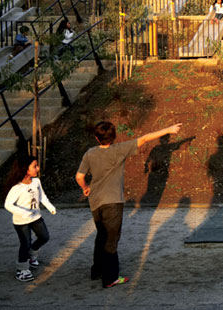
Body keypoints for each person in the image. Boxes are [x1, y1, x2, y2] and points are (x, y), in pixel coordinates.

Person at [75, 121, 182, 288]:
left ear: (96, 138)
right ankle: (110, 278)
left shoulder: (90, 153)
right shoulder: (120, 149)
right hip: (113, 201)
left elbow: (79, 176)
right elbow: (145, 138)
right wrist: (169, 130)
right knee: (111, 239)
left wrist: (85, 188)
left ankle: (97, 271)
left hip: (95, 201)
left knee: (101, 235)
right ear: (114, 136)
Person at [4, 155, 56, 282]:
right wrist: (22, 212)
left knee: (44, 237)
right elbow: (7, 204)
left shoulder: (36, 182)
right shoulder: (17, 187)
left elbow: (42, 196)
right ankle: (21, 270)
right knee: (25, 243)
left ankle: (32, 254)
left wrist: (50, 206)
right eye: (34, 166)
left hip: (36, 216)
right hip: (21, 221)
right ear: (25, 169)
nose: (37, 168)